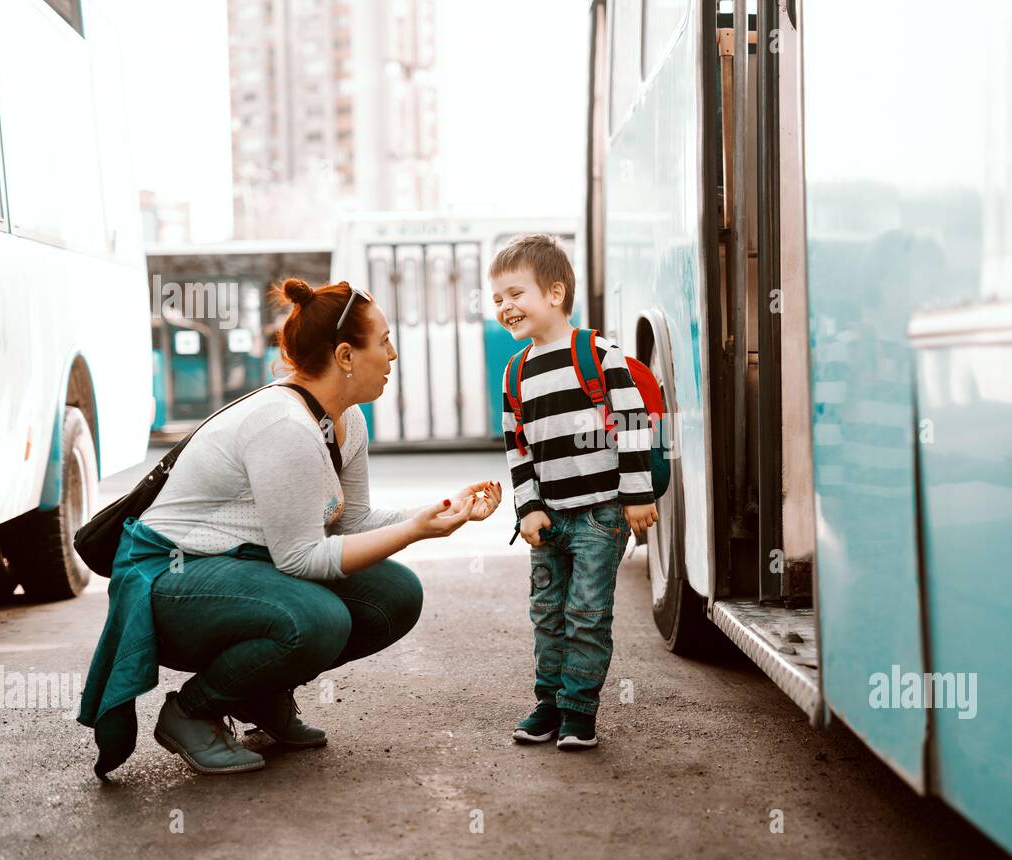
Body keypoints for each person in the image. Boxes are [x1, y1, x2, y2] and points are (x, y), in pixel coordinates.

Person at [77, 278, 501, 778]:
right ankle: (192, 711)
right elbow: (301, 558)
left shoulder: (347, 420)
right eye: (384, 341)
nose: (392, 355)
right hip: (172, 582)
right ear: (346, 355)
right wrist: (414, 532)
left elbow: (353, 522)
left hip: (239, 568)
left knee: (395, 594)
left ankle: (257, 693)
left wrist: (437, 513)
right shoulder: (284, 426)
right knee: (318, 619)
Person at [492, 235, 658, 750]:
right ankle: (549, 702)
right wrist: (528, 509)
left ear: (556, 292)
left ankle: (579, 710)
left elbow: (633, 424)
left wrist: (637, 495)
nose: (505, 307)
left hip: (601, 517)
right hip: (548, 520)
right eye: (497, 299)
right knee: (547, 615)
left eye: (515, 294)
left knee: (586, 616)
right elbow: (517, 448)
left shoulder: (599, 354)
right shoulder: (515, 372)